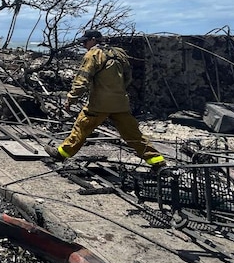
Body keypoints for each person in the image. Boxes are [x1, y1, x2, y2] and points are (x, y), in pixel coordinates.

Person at [45, 30, 167, 171]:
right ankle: (157, 162)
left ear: (93, 40)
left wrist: (71, 99)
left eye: (85, 41)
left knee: (81, 129)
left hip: (99, 104)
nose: (83, 44)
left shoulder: (93, 54)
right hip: (120, 103)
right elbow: (128, 78)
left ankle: (61, 154)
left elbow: (82, 80)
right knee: (134, 135)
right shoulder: (119, 53)